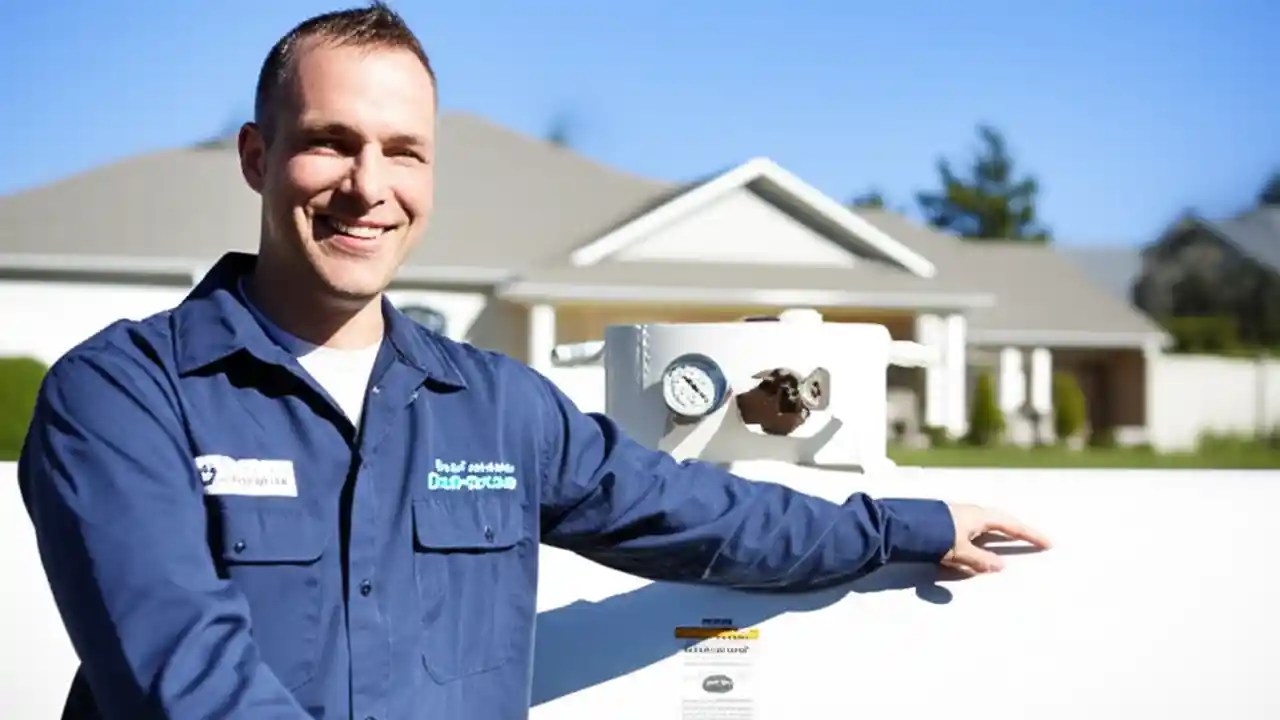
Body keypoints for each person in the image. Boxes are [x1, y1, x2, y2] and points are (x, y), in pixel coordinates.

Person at [17, 3, 1052, 719]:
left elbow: (706, 516)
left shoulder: (495, 409)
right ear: (256, 156)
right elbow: (182, 674)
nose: (366, 185)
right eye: (329, 141)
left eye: (403, 150)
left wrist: (904, 527)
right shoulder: (122, 398)